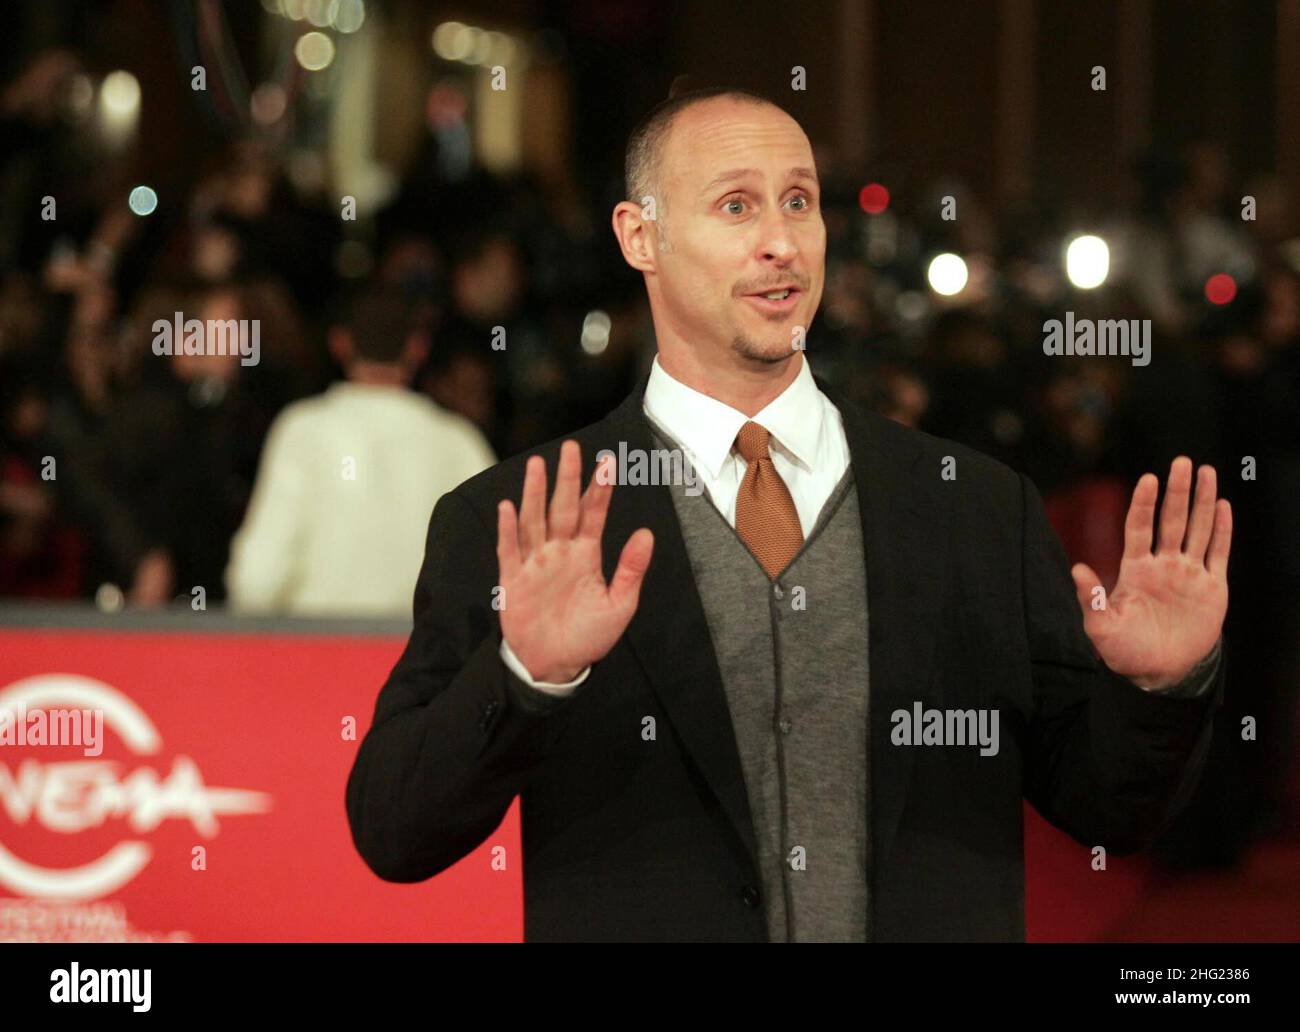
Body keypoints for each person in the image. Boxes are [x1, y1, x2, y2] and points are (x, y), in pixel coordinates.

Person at [346, 87, 1230, 942]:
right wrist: (522, 678)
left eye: (800, 203)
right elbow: (395, 833)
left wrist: (1160, 690)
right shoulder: (518, 516)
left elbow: (1110, 810)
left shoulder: (976, 506)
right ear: (639, 236)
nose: (782, 242)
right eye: (736, 206)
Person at [226, 286, 495, 616]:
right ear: (417, 348)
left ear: (340, 343)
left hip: (319, 654)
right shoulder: (458, 442)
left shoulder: (303, 431)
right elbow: (493, 571)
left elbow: (257, 582)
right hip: (424, 656)